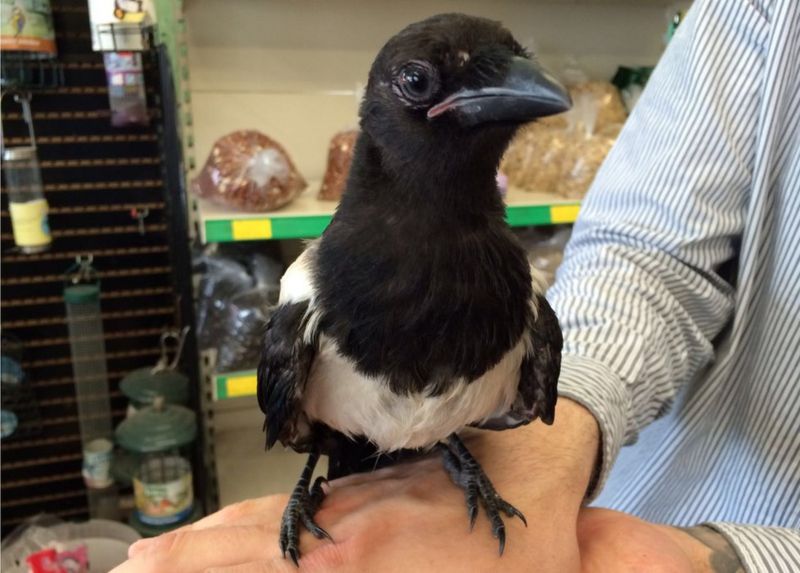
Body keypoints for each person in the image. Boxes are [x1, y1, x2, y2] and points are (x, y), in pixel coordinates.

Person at [113, 0, 800, 570]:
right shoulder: (314, 293)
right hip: (347, 433)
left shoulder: (519, 303)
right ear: (384, 116)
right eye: (423, 84)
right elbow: (656, 253)